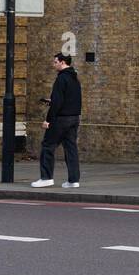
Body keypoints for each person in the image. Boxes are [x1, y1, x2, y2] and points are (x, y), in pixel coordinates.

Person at [32, 53, 83, 189]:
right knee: (71, 149)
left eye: (55, 62)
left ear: (62, 62)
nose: (53, 64)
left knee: (48, 146)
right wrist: (52, 101)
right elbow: (70, 99)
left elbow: (58, 103)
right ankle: (73, 180)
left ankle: (46, 178)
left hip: (61, 119)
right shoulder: (75, 78)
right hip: (74, 118)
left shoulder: (61, 79)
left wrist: (48, 120)